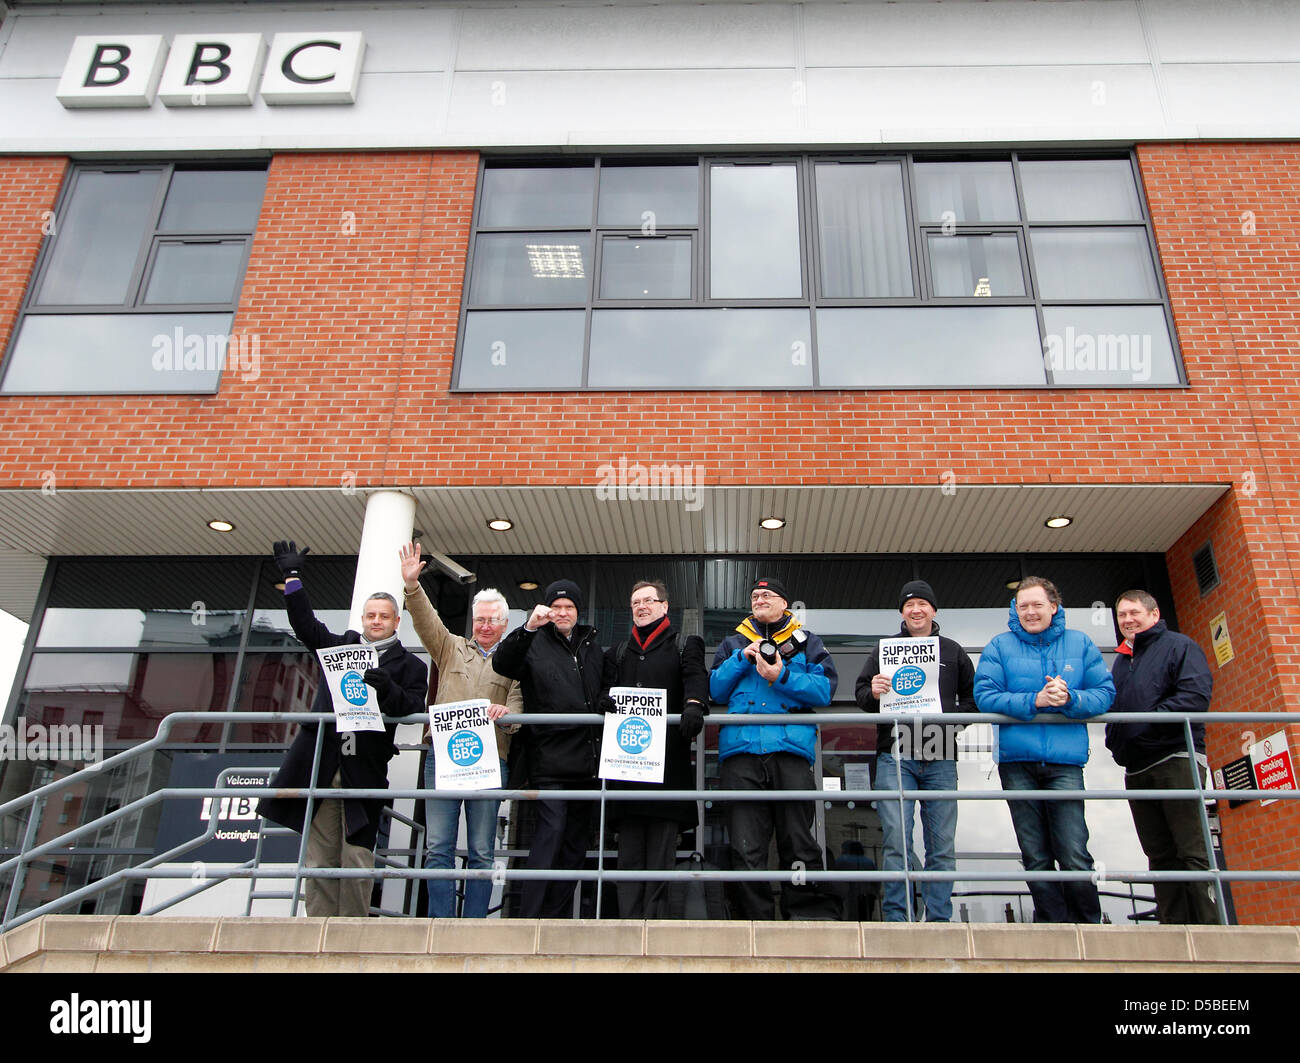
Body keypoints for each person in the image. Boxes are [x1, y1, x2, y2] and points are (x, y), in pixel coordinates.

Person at [257, 540, 428, 917]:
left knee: (355, 860)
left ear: (396, 621)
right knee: (319, 862)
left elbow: (413, 710)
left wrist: (388, 688)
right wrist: (292, 577)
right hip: (322, 766)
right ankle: (317, 935)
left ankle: (351, 938)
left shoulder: (412, 666)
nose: (376, 622)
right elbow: (305, 625)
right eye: (371, 616)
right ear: (363, 618)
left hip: (364, 773)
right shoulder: (340, 647)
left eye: (384, 616)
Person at [974, 576, 1114, 923]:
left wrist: (1071, 699)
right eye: (1023, 606)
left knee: (1073, 851)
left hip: (1065, 763)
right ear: (1014, 610)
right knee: (1035, 854)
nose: (1030, 612)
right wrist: (1033, 700)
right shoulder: (999, 646)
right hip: (1016, 763)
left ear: (1054, 606)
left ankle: (1088, 925)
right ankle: (1052, 926)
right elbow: (984, 696)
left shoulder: (1080, 643)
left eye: (1037, 605)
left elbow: (1105, 693)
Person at [398, 542, 522, 918]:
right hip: (444, 760)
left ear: (503, 625)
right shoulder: (449, 648)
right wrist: (412, 586)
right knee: (438, 846)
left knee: (483, 849)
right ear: (473, 621)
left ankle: (475, 925)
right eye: (480, 619)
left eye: (492, 621)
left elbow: (518, 712)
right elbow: (426, 621)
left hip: (490, 762)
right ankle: (440, 921)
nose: (485, 626)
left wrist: (505, 713)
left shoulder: (512, 662)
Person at [709, 576, 840, 920]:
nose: (759, 599)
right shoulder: (733, 642)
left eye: (767, 595)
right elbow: (715, 690)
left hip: (790, 752)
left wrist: (782, 675)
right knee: (745, 845)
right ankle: (755, 922)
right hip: (741, 755)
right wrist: (742, 657)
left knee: (798, 841)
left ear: (785, 603)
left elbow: (825, 690)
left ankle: (807, 917)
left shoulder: (808, 641)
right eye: (754, 595)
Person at [855, 579, 975, 922]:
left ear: (934, 610)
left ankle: (939, 919)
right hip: (895, 751)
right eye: (909, 605)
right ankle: (898, 919)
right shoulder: (884, 650)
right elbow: (862, 695)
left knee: (941, 845)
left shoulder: (952, 650)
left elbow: (974, 699)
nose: (916, 609)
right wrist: (874, 692)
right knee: (897, 841)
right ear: (902, 612)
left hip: (939, 749)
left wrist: (949, 721)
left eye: (922, 603)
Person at [492, 578, 612, 918]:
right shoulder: (533, 641)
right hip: (550, 761)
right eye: (556, 607)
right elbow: (502, 663)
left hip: (588, 761)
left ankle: (555, 919)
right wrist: (528, 627)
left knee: (575, 847)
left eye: (569, 607)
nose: (562, 612)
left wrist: (605, 700)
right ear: (546, 610)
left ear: (577, 611)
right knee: (549, 836)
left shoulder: (591, 643)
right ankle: (529, 919)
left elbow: (603, 685)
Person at [1105, 589, 1218, 924]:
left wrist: (1142, 728)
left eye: (1134, 613)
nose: (1127, 620)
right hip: (1138, 768)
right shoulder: (1123, 661)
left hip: (1177, 759)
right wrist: (1119, 742)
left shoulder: (1180, 646)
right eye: (1122, 615)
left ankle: (1211, 932)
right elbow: (1115, 711)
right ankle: (1174, 929)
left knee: (1192, 850)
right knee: (1159, 854)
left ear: (1154, 615)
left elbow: (1194, 697)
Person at [603, 580, 708, 918]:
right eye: (635, 602)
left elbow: (695, 677)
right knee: (629, 858)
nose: (642, 606)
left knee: (661, 856)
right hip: (626, 770)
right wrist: (604, 698)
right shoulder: (618, 651)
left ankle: (655, 929)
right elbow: (604, 689)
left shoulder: (684, 645)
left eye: (649, 600)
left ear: (665, 606)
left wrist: (694, 705)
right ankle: (628, 927)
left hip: (666, 771)